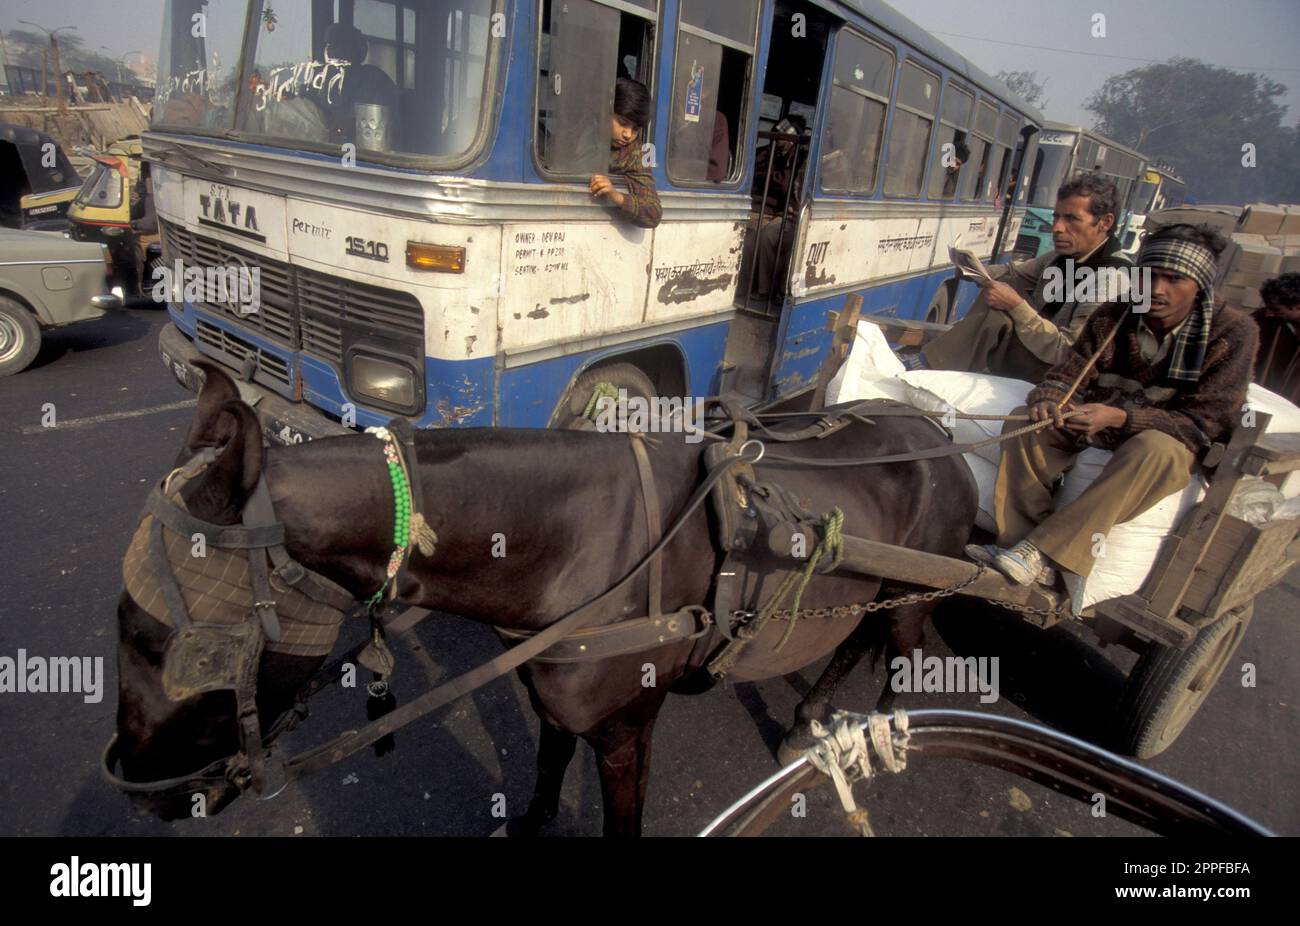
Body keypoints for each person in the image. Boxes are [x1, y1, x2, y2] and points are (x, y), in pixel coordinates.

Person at [967, 224, 1259, 586]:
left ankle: (1044, 551)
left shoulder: (1233, 332)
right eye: (1149, 276)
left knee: (1153, 448)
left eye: (1174, 279)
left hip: (1166, 440)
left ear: (1199, 284)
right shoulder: (1116, 314)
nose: (1156, 289)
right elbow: (1067, 374)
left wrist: (1121, 418)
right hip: (1095, 421)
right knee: (1024, 422)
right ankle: (1017, 544)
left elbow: (1206, 422)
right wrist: (1051, 400)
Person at [911, 173, 1132, 382]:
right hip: (1037, 350)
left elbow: (1068, 352)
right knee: (1005, 285)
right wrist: (974, 271)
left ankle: (926, 366)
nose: (1057, 228)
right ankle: (944, 361)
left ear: (1105, 222)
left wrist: (1016, 306)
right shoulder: (1061, 257)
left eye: (1071, 219)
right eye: (1056, 217)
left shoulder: (1112, 279)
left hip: (1060, 372)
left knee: (999, 316)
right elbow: (1015, 273)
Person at [742, 114, 808, 303]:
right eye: (776, 136)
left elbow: (787, 188)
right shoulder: (763, 154)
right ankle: (742, 288)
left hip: (779, 212)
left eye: (784, 139)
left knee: (764, 237)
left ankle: (763, 290)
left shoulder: (796, 160)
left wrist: (773, 171)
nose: (778, 142)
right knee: (745, 235)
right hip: (755, 206)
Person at [589, 77, 661, 229]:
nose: (628, 134)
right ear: (605, 112)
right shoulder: (581, 132)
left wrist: (615, 196)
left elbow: (653, 213)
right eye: (622, 123)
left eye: (635, 129)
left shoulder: (637, 153)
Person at [320, 23, 400, 144]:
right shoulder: (322, 79)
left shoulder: (376, 80)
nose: (331, 50)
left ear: (357, 49)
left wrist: (347, 126)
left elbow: (382, 123)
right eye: (329, 45)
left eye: (338, 44)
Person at [1252, 273, 1300, 403]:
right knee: (1249, 423)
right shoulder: (1263, 319)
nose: (1269, 313)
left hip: (1292, 410)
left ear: (1298, 307)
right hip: (1258, 399)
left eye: (1275, 309)